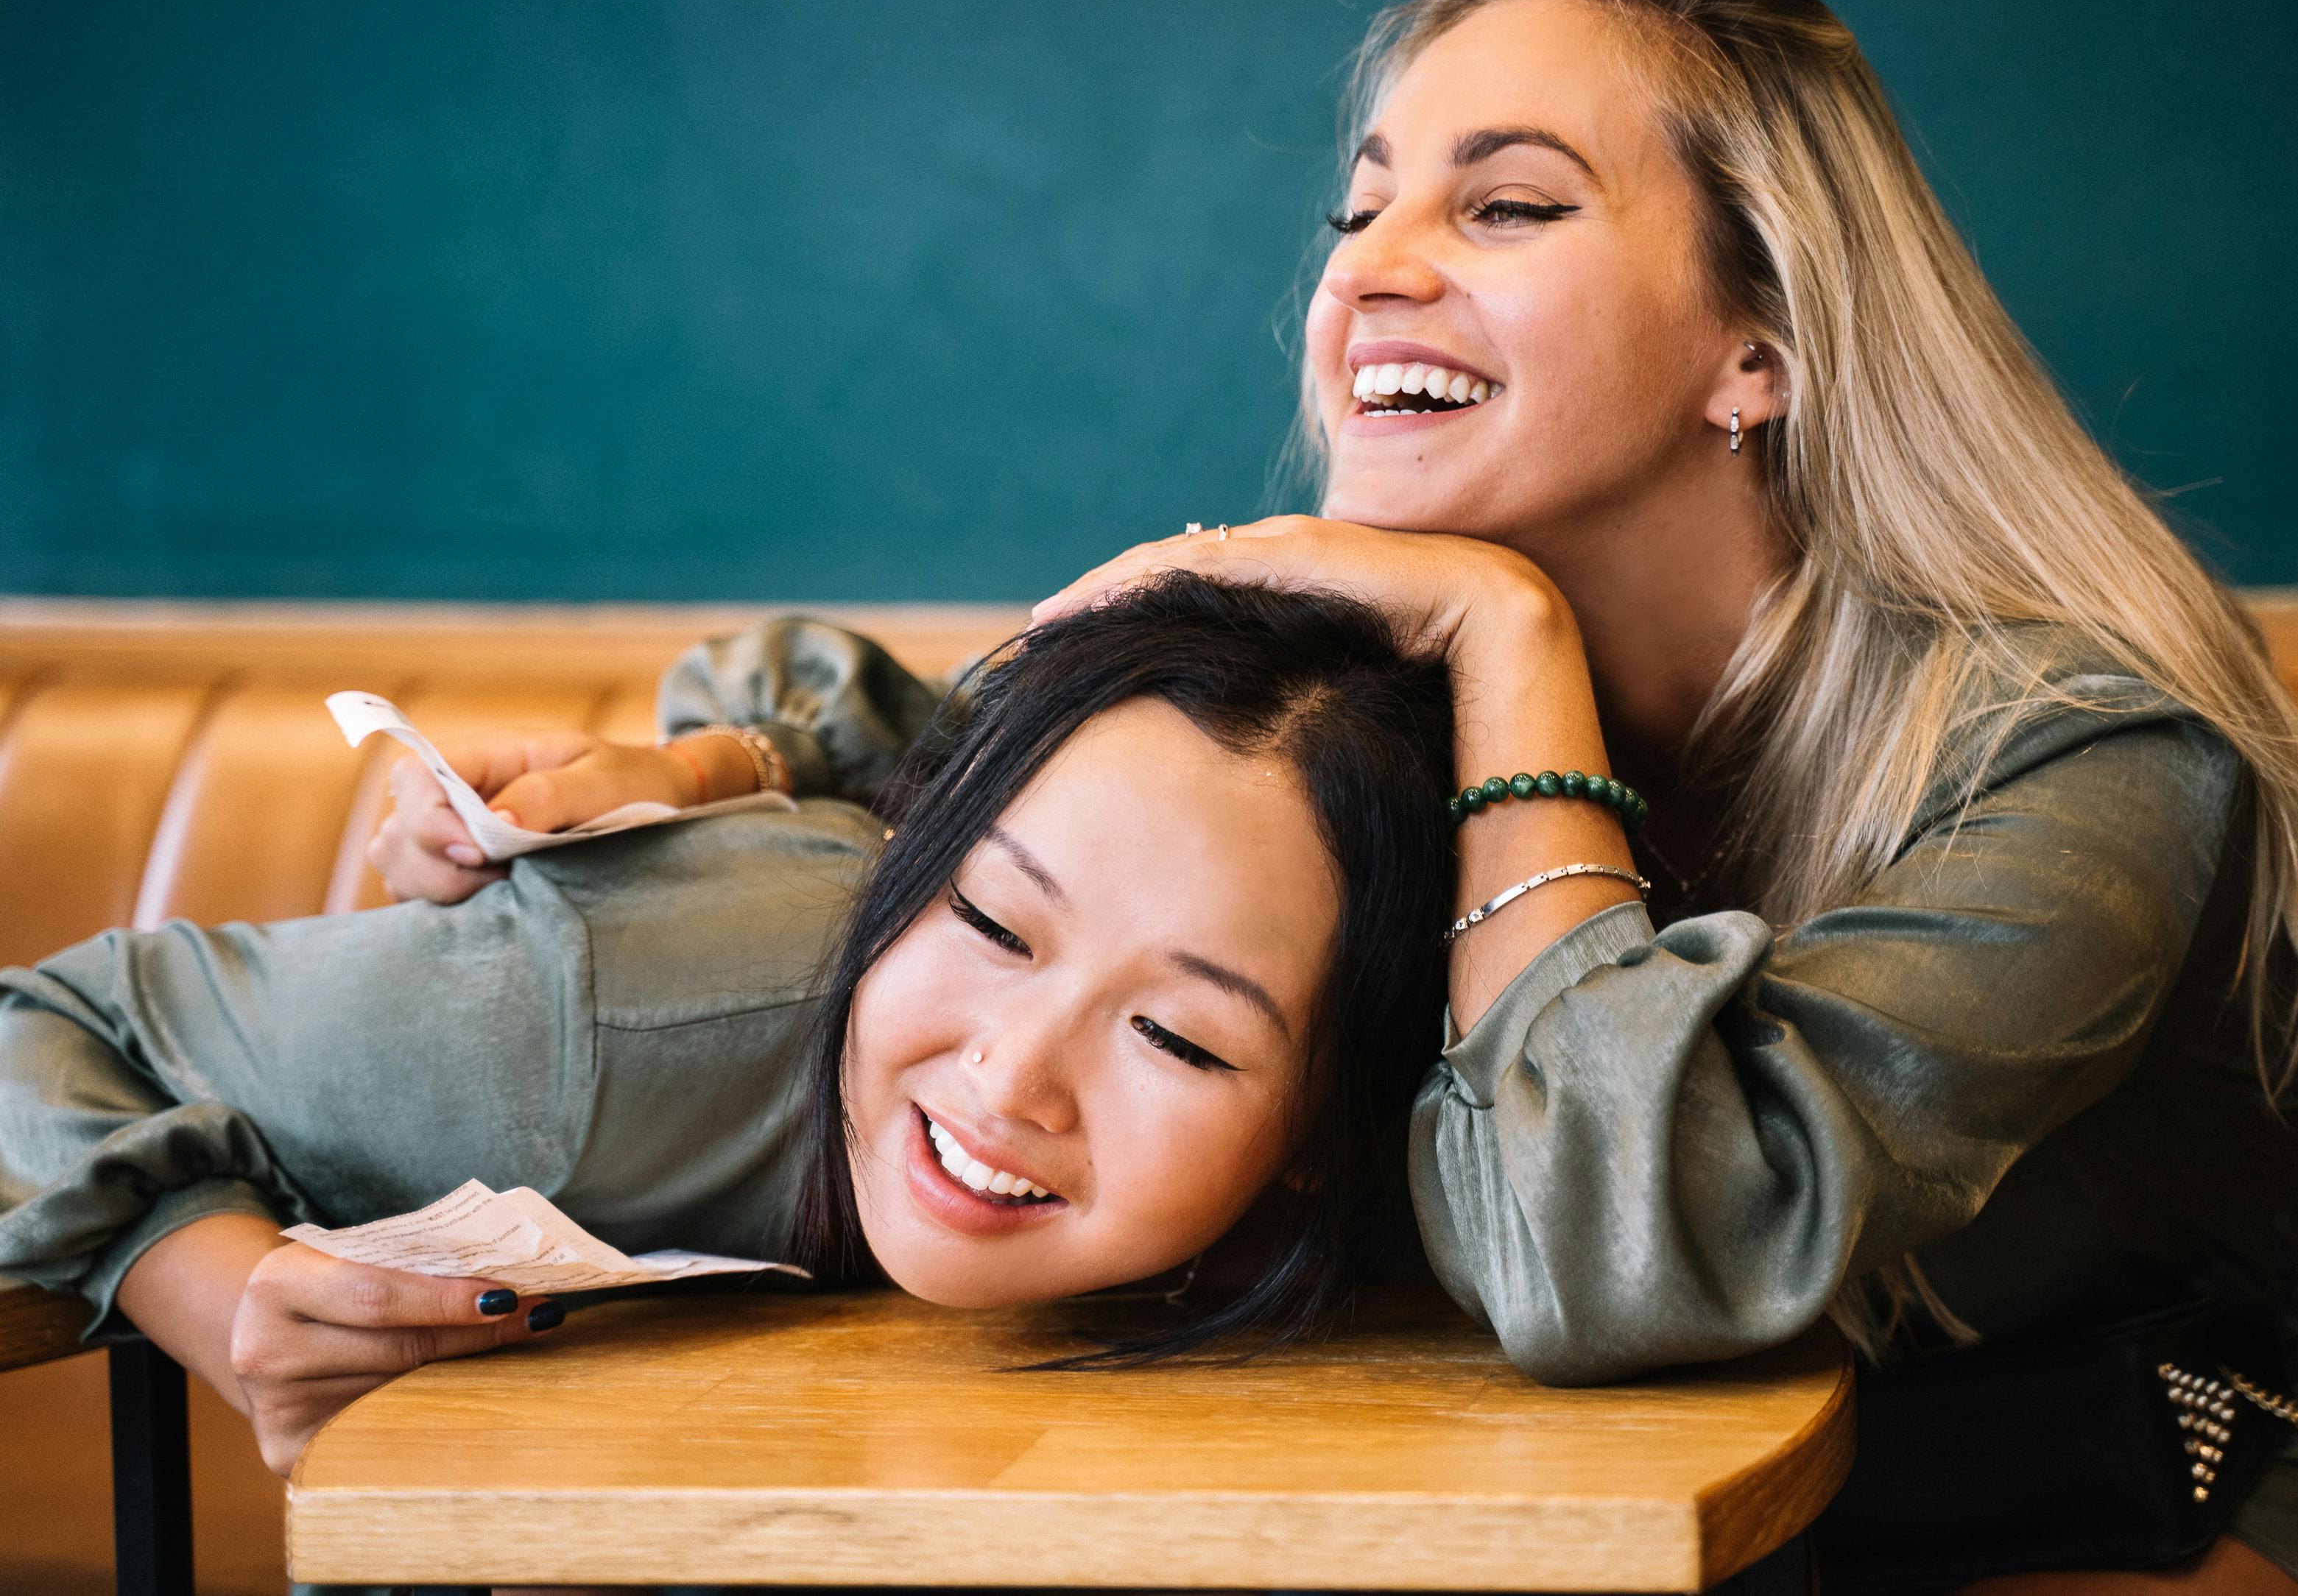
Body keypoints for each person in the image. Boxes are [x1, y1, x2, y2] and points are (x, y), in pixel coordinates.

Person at [366, 0, 2298, 1595]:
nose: (1369, 272)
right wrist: (711, 784)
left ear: (1758, 348)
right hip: (1818, 1473)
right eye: (1358, 207)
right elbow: (977, 798)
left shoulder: (2084, 755)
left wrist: (1504, 634)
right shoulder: (1374, 678)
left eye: (1501, 206)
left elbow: (1614, 1251)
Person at [0, 576, 1454, 1478]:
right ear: (914, 859)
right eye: (993, 926)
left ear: (1327, 1134)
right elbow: (48, 1015)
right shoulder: (606, 1025)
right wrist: (203, 1282)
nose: (1012, 1075)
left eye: (1179, 1041)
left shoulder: (1420, 1180)